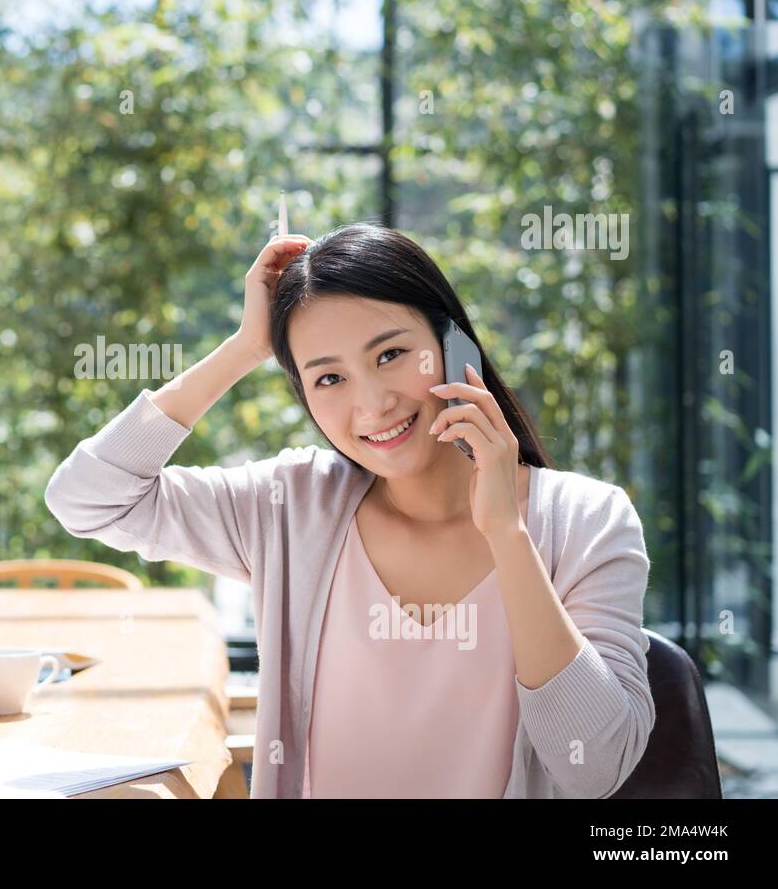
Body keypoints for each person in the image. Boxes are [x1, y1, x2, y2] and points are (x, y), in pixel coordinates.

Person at [45, 222, 655, 798]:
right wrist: (245, 348)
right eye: (328, 379)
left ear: (452, 343)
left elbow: (595, 768)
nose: (372, 405)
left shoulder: (588, 522)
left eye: (390, 355)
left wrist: (507, 534)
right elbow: (87, 500)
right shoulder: (291, 505)